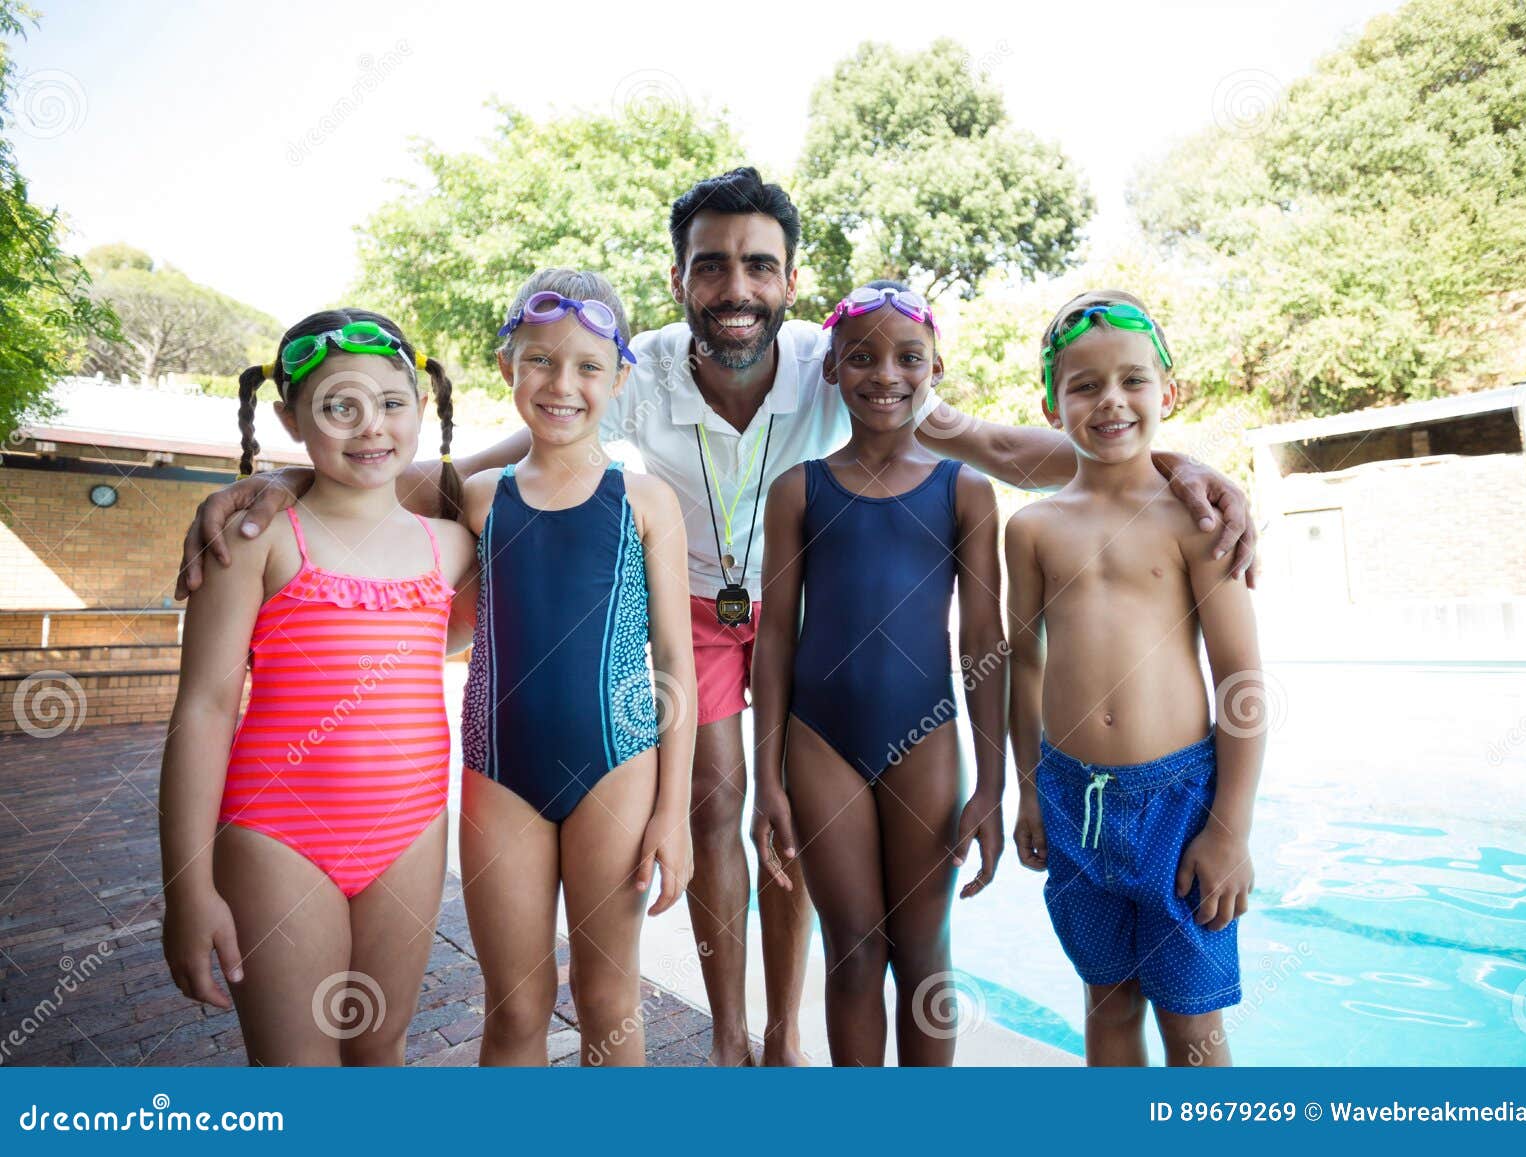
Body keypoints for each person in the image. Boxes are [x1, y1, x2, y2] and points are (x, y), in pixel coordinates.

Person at [172, 169, 1259, 1066]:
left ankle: (785, 1036)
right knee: (721, 791)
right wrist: (275, 481)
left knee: (784, 825)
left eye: (756, 263)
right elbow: (455, 469)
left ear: (786, 278)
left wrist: (1167, 463)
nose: (734, 285)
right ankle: (737, 1035)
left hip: (802, 613)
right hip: (689, 602)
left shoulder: (845, 360)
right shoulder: (626, 368)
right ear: (679, 277)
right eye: (710, 264)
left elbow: (1010, 444)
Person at [158, 310, 477, 1064]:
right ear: (290, 417)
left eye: (392, 402)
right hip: (277, 836)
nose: (371, 426)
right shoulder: (256, 537)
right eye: (340, 405)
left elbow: (544, 445)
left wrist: (286, 473)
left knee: (380, 1046)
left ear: (421, 409)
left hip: (412, 830)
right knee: (298, 1066)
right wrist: (186, 886)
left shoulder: (454, 544)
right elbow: (203, 708)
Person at [1005, 290, 1264, 1067]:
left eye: (1132, 380)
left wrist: (1230, 827)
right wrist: (1028, 786)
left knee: (1191, 1024)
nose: (1109, 401)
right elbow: (1023, 659)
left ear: (1168, 391)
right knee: (1108, 1007)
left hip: (1181, 803)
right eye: (1083, 385)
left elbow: (1241, 680)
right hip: (1072, 795)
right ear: (1051, 406)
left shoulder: (1196, 521)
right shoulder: (1033, 528)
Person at [751, 281, 1005, 1065]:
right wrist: (768, 777)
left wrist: (992, 784)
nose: (884, 374)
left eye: (907, 358)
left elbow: (983, 643)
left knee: (925, 955)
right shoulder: (800, 489)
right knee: (854, 951)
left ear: (936, 367)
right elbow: (775, 641)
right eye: (860, 357)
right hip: (820, 740)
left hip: (925, 735)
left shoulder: (966, 490)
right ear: (832, 369)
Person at [456, 269, 694, 1066]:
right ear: (506, 366)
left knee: (607, 1001)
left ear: (620, 377)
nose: (562, 384)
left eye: (588, 366)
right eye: (539, 361)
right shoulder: (479, 498)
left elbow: (673, 663)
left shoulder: (644, 498)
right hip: (499, 772)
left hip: (620, 767)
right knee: (515, 1009)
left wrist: (675, 810)